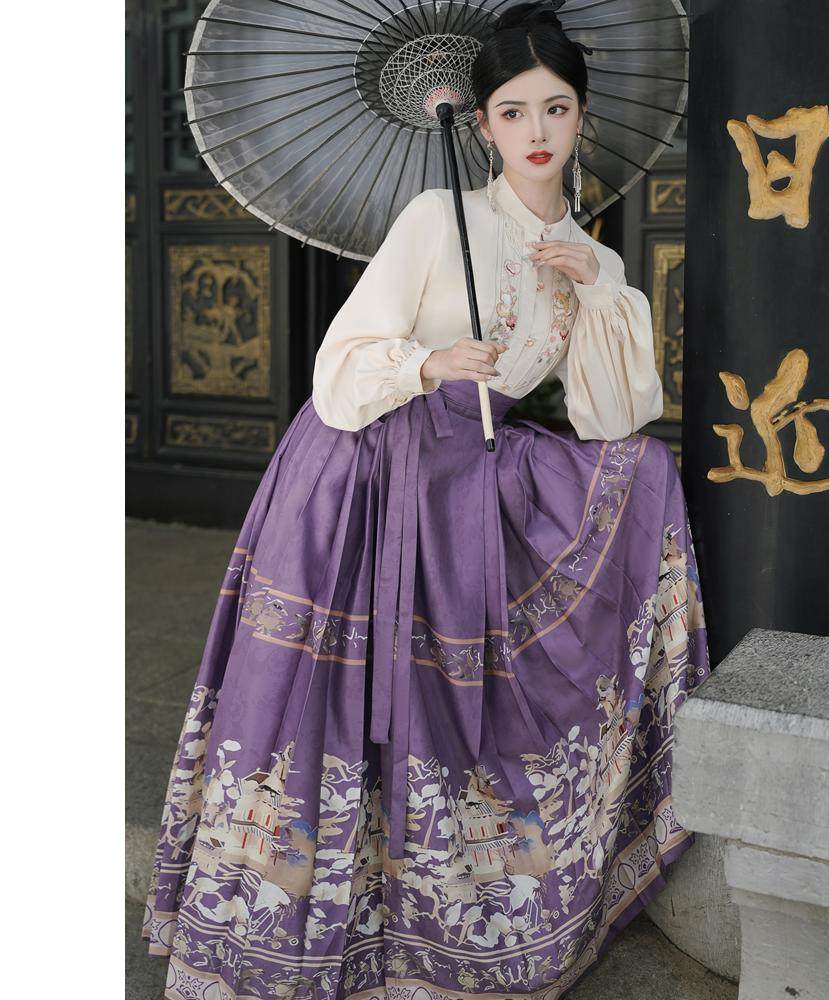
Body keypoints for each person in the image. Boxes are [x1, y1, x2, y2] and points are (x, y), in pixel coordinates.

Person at [142, 2, 711, 997]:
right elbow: (338, 369)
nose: (536, 132)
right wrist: (427, 362)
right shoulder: (433, 221)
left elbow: (613, 416)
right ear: (482, 125)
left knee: (642, 476)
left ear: (580, 116)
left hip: (469, 472)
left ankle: (459, 913)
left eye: (556, 108)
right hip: (364, 472)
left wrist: (600, 290)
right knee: (328, 702)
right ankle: (302, 932)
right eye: (512, 112)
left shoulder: (591, 256)